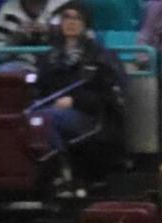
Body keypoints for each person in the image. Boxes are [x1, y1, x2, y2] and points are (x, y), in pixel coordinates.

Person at [34, 5, 126, 194]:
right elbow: (40, 90)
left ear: (85, 24)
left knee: (46, 118)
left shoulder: (100, 56)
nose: (71, 22)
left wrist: (75, 101)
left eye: (76, 18)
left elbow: (108, 95)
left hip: (91, 116)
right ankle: (54, 171)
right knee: (34, 118)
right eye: (66, 17)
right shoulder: (49, 57)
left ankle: (63, 170)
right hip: (52, 111)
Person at [0, 0, 75, 48]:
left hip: (59, 64)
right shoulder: (8, 11)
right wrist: (16, 39)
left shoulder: (67, 6)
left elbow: (79, 45)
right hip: (20, 65)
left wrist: (51, 32)